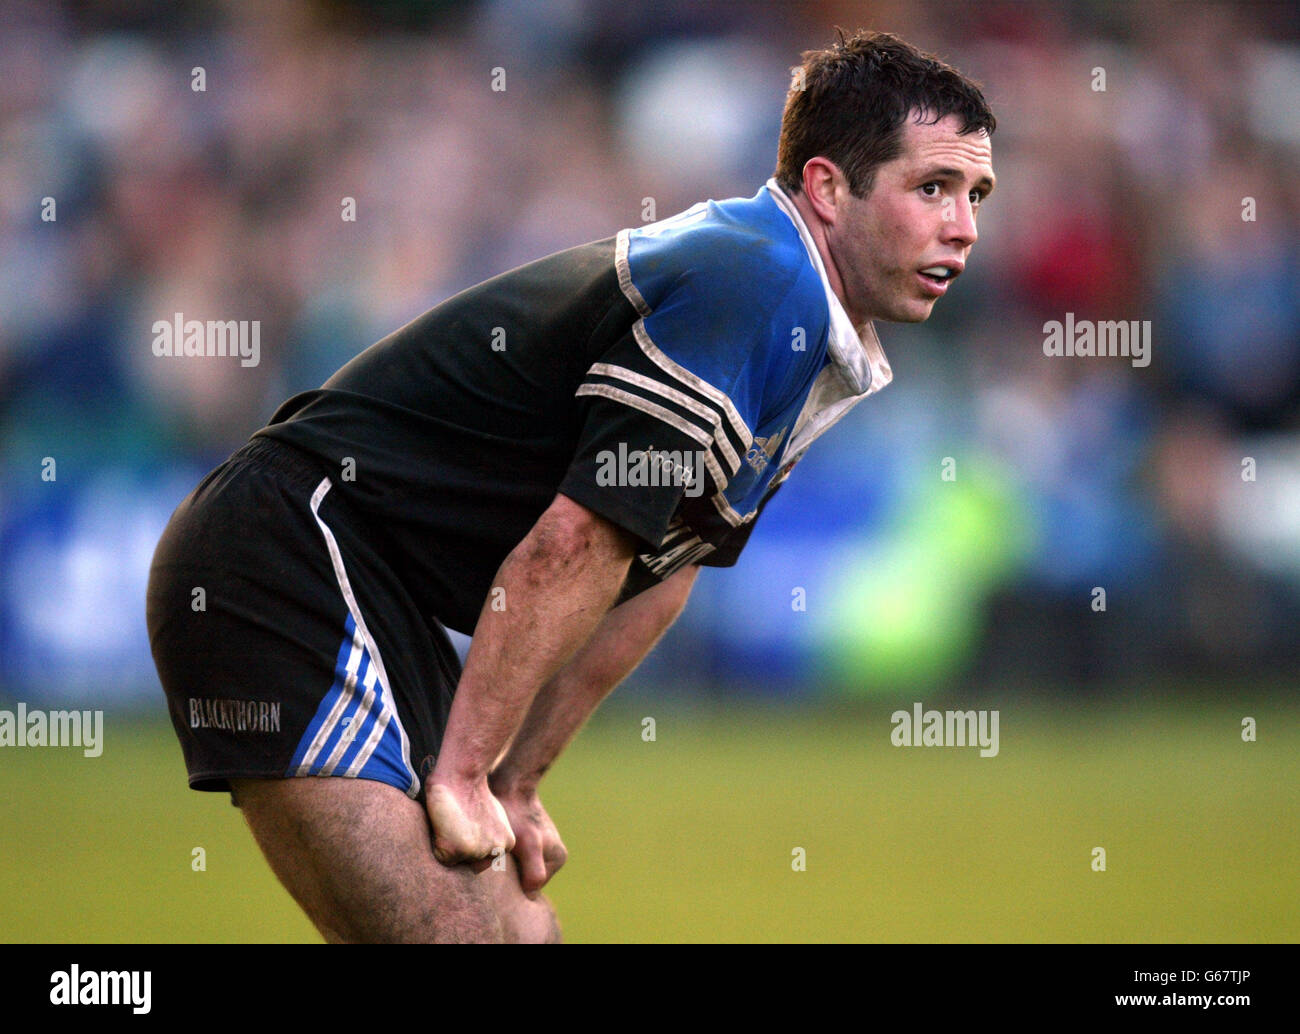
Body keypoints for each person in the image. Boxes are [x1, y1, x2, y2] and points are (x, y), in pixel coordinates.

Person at [146, 28, 996, 943]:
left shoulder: (811, 330)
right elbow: (578, 538)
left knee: (522, 935)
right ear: (828, 188)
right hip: (287, 549)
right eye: (933, 188)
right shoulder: (759, 278)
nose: (965, 227)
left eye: (977, 194)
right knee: (455, 937)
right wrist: (467, 772)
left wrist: (516, 779)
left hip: (363, 577)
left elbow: (660, 574)